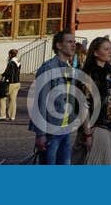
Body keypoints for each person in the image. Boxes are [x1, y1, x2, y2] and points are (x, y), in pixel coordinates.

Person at [31, 30, 80, 165]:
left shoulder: (69, 69)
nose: (73, 45)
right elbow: (40, 102)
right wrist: (40, 134)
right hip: (50, 131)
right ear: (58, 45)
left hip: (65, 130)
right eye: (69, 42)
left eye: (74, 42)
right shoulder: (48, 68)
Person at [80, 36, 111, 164]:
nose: (110, 52)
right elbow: (84, 105)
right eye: (106, 49)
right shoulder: (89, 75)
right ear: (96, 53)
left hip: (110, 127)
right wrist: (87, 134)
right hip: (96, 127)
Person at [0, 49, 22, 121]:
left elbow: (8, 72)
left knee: (2, 97)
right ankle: (12, 116)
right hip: (17, 83)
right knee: (13, 100)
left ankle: (2, 115)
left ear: (10, 54)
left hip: (10, 83)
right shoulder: (18, 62)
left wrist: (3, 76)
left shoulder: (11, 62)